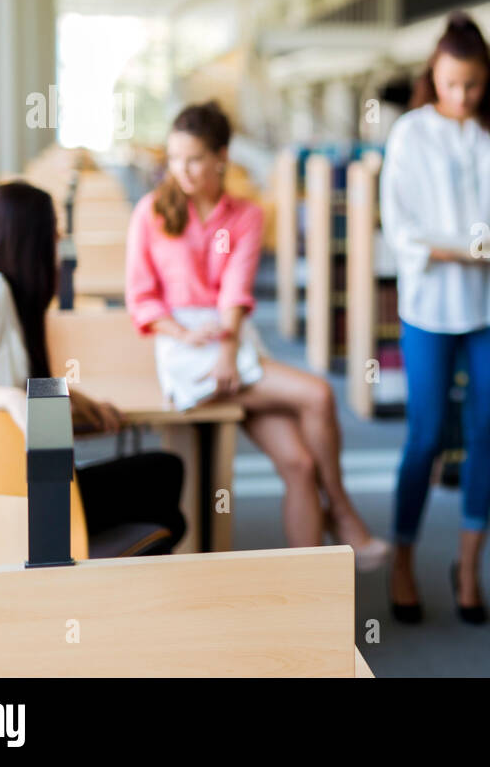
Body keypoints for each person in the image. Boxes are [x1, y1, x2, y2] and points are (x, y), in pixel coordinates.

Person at [126, 100, 389, 569]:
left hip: (232, 343)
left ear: (221, 157)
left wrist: (226, 348)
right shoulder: (151, 212)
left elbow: (235, 289)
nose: (181, 170)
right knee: (318, 394)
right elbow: (142, 296)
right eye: (174, 158)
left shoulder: (245, 215)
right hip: (184, 350)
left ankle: (306, 591)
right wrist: (183, 333)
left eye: (194, 159)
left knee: (300, 465)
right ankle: (345, 514)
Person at [0, 181, 187, 552]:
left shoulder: (10, 295)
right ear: (27, 234)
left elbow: (20, 379)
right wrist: (12, 400)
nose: (59, 236)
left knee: (166, 502)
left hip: (27, 489)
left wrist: (74, 398)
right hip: (20, 502)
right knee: (165, 476)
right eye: (52, 226)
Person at [379, 12, 490, 624]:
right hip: (430, 305)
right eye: (449, 84)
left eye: (471, 85)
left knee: (485, 430)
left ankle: (468, 565)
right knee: (427, 435)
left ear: (487, 80)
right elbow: (402, 230)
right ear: (431, 79)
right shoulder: (410, 134)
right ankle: (403, 557)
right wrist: (472, 245)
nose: (460, 96)